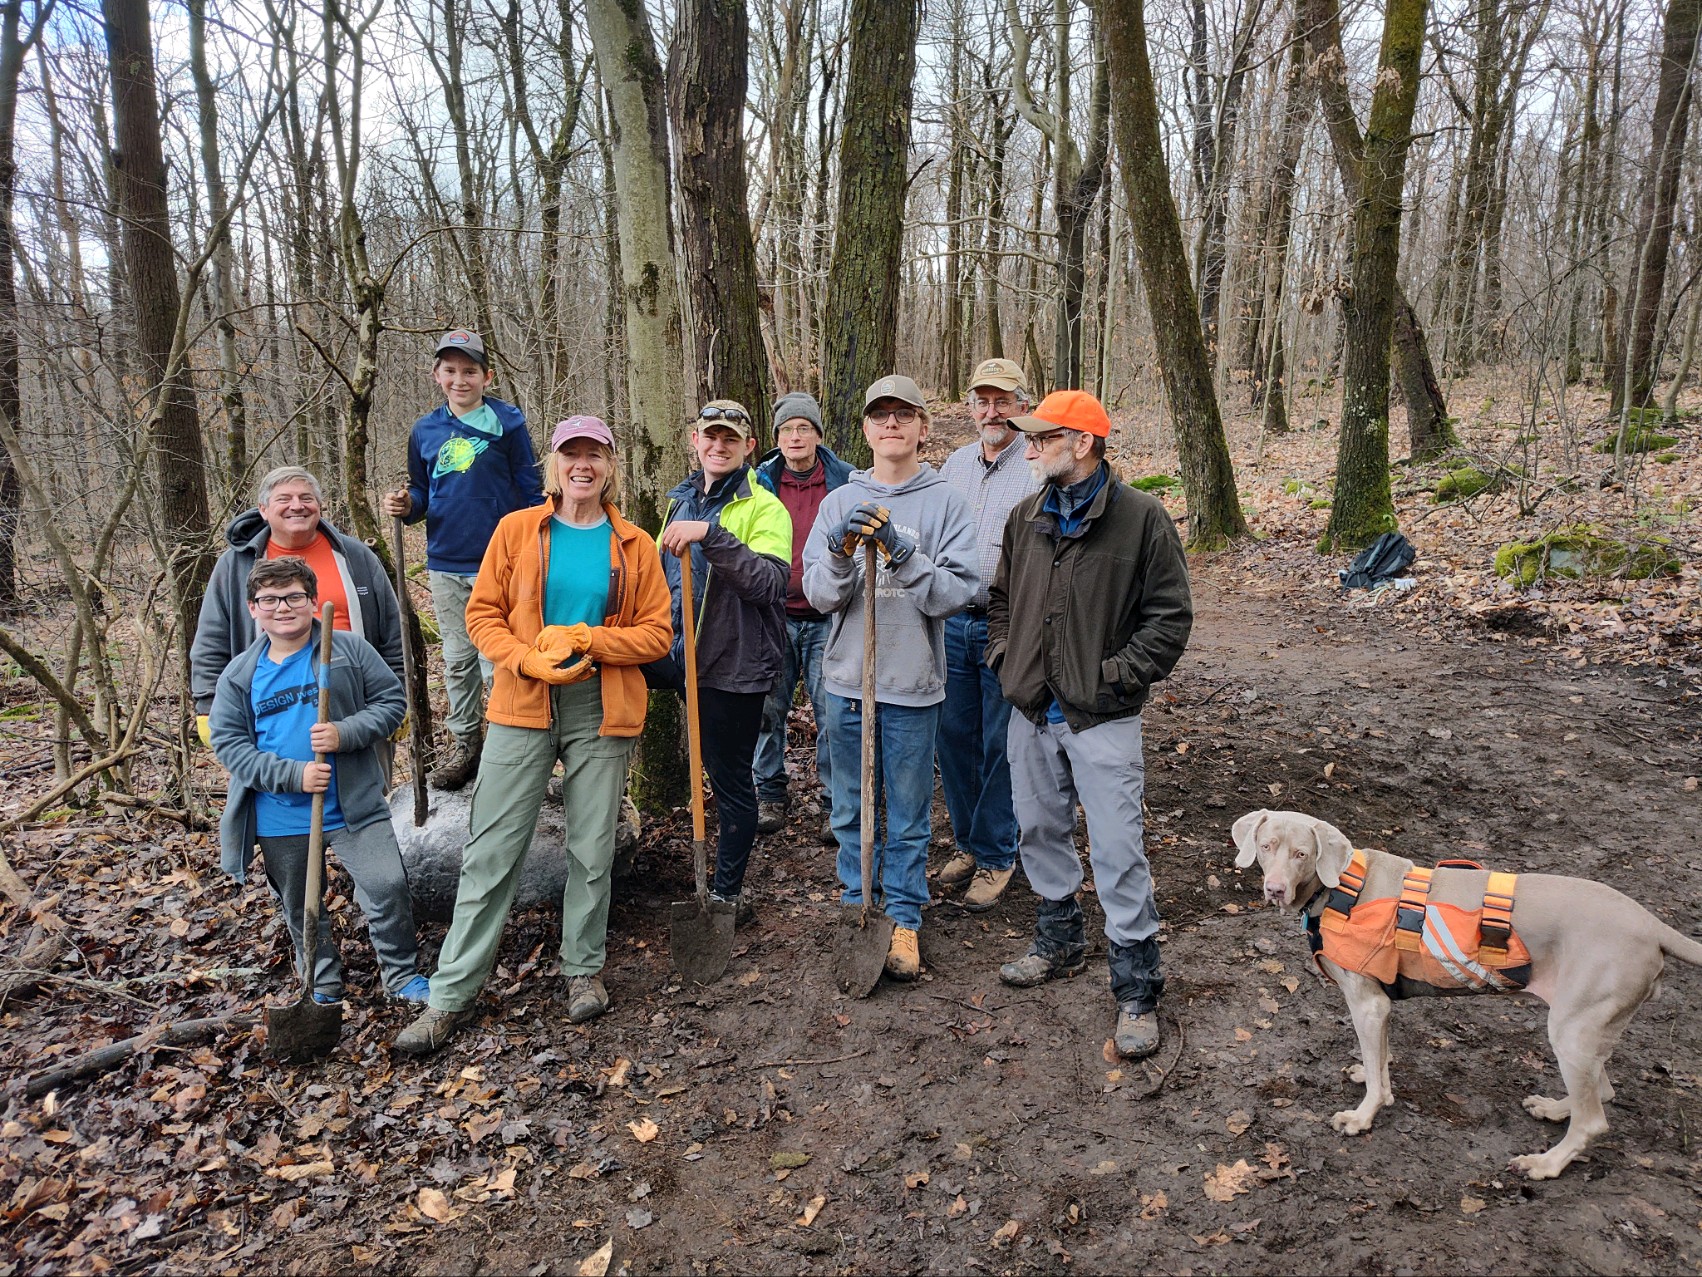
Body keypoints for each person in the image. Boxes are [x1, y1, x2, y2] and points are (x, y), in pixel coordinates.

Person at [394, 416, 671, 1055]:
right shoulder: (516, 530)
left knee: (592, 847)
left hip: (602, 704)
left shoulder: (635, 544)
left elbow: (658, 634)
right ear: (554, 464)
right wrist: (526, 660)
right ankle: (451, 995)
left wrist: (590, 639)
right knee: (491, 850)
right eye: (571, 454)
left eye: (595, 454)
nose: (582, 465)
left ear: (610, 466)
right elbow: (482, 615)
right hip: (522, 703)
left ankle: (582, 969)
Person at [985, 390, 1193, 1059]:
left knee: (1117, 849)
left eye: (1042, 438)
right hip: (1029, 709)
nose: (1029, 448)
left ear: (1083, 442)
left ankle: (1137, 987)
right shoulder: (1025, 517)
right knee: (1038, 829)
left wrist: (1115, 676)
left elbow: (1170, 617)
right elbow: (999, 600)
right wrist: (1006, 659)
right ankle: (1060, 939)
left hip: (1102, 714)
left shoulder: (1142, 519)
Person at [802, 375, 977, 982]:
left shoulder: (947, 503)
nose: (892, 424)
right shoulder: (838, 502)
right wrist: (839, 553)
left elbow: (955, 593)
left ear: (923, 428)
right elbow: (820, 597)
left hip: (912, 683)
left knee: (906, 812)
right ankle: (859, 903)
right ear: (867, 429)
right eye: (881, 416)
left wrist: (901, 553)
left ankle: (903, 916)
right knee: (851, 807)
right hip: (850, 682)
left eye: (905, 415)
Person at [209, 557, 426, 1004]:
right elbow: (230, 745)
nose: (282, 608)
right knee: (301, 903)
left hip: (355, 805)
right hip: (280, 815)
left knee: (387, 886)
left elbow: (391, 703)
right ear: (253, 608)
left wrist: (345, 733)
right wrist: (294, 775)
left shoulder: (348, 650)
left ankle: (402, 976)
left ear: (312, 601)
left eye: (293, 597)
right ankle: (322, 982)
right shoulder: (240, 675)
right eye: (270, 599)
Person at [383, 329, 544, 791]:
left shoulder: (508, 423)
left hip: (501, 561)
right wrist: (405, 505)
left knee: (500, 658)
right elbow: (422, 493)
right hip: (445, 562)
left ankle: (509, 743)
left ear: (486, 376)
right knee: (457, 658)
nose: (460, 379)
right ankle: (466, 745)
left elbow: (530, 489)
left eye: (469, 371)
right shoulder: (425, 430)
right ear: (436, 375)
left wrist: (535, 545)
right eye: (450, 370)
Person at [651, 400, 791, 923]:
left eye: (730, 438)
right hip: (679, 652)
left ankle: (726, 894)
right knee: (610, 667)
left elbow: (768, 584)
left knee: (730, 782)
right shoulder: (679, 502)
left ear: (749, 446)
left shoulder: (764, 507)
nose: (719, 445)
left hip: (734, 666)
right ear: (695, 440)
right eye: (710, 436)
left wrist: (712, 537)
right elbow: (662, 578)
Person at [191, 466, 403, 745]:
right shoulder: (236, 565)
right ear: (263, 509)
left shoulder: (355, 556)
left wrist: (398, 693)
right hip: (268, 707)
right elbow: (211, 640)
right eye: (284, 499)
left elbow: (393, 632)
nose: (297, 506)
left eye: (306, 498)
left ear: (319, 506)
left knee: (363, 775)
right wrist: (208, 705)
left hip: (357, 705)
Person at [934, 358, 1039, 911]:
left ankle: (998, 853)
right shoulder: (954, 465)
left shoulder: (1037, 465)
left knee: (1001, 741)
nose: (991, 412)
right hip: (952, 620)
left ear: (1023, 406)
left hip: (1008, 623)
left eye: (1003, 401)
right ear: (971, 408)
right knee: (952, 737)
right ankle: (969, 842)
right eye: (982, 401)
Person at [752, 391, 854, 842]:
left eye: (804, 428)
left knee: (832, 712)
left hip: (828, 615)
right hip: (772, 614)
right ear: (776, 437)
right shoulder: (758, 483)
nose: (795, 436)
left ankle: (836, 802)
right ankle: (769, 793)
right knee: (767, 709)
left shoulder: (845, 481)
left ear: (817, 435)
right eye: (787, 429)